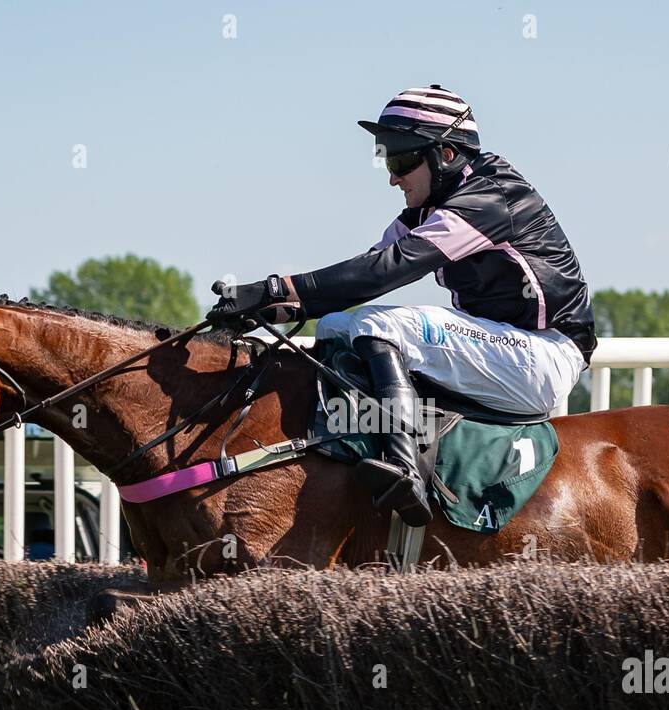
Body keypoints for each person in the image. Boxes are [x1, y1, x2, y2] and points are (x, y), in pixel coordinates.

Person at [209, 84, 595, 528]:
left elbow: (385, 272)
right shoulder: (432, 207)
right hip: (507, 348)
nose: (393, 176)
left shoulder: (489, 199)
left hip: (543, 355)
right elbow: (359, 278)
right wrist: (273, 310)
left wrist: (275, 285)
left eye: (400, 159)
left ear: (445, 154)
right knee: (337, 325)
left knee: (381, 325)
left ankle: (404, 467)